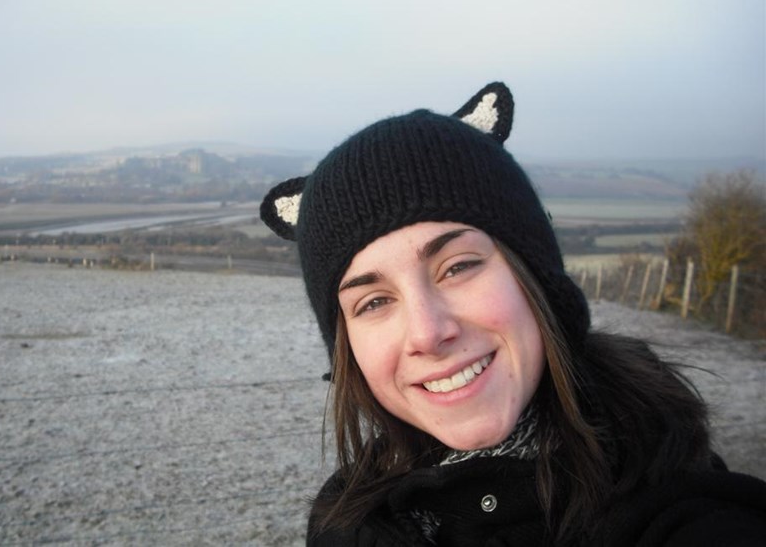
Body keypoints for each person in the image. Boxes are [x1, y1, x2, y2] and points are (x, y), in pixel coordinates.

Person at [259, 82, 766, 546]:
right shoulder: (345, 524)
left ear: (535, 275)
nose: (428, 333)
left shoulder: (683, 509)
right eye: (373, 302)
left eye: (458, 267)